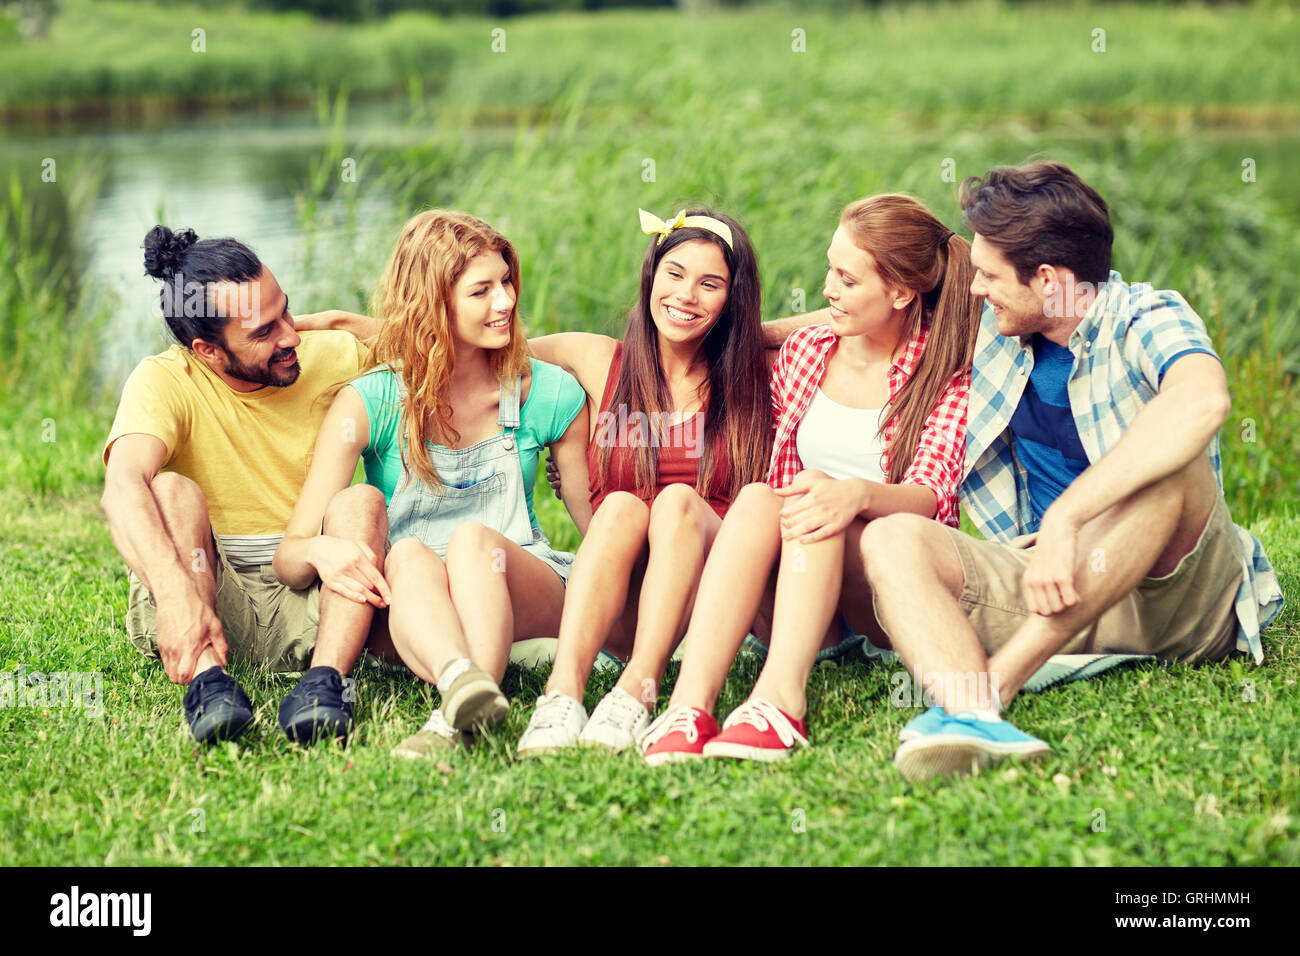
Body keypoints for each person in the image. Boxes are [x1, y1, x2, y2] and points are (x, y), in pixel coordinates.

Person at [855, 161, 1285, 782]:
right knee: (889, 535)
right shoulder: (999, 328)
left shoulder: (1148, 317)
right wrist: (736, 333)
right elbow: (870, 319)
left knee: (1168, 462)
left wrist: (1069, 516)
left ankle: (993, 689)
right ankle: (972, 715)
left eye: (989, 276)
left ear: (1050, 280)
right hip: (1055, 588)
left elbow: (1202, 403)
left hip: (1179, 593)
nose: (974, 289)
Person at [638, 194, 979, 763]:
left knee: (814, 494)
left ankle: (779, 701)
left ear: (900, 292)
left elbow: (931, 498)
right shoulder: (806, 352)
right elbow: (742, 345)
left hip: (879, 591)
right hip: (795, 594)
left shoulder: (946, 373)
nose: (827, 289)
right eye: (830, 269)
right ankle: (688, 707)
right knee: (756, 497)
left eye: (846, 279)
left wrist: (856, 496)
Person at [274, 210, 593, 757]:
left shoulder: (549, 393)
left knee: (472, 543)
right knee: (406, 556)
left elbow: (597, 532)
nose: (507, 302)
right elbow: (289, 556)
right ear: (434, 303)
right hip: (420, 604)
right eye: (482, 291)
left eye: (507, 282)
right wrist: (324, 550)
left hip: (519, 577)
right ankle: (462, 683)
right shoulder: (371, 401)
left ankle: (451, 724)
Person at [101, 226, 380, 745]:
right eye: (264, 331)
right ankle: (210, 684)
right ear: (207, 351)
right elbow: (121, 487)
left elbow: (447, 351)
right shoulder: (165, 380)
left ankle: (326, 684)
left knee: (360, 501)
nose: (291, 337)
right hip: (205, 587)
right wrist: (176, 595)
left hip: (311, 592)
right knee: (170, 491)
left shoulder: (330, 353)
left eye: (287, 313)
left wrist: (339, 321)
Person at [517, 207, 772, 754]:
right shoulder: (600, 359)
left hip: (708, 601)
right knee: (622, 508)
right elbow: (477, 351)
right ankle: (562, 695)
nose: (686, 295)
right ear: (651, 274)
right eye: (674, 274)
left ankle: (637, 691)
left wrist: (757, 331)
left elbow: (848, 317)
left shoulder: (756, 372)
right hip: (620, 599)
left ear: (734, 298)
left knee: (678, 501)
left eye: (711, 285)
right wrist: (354, 329)